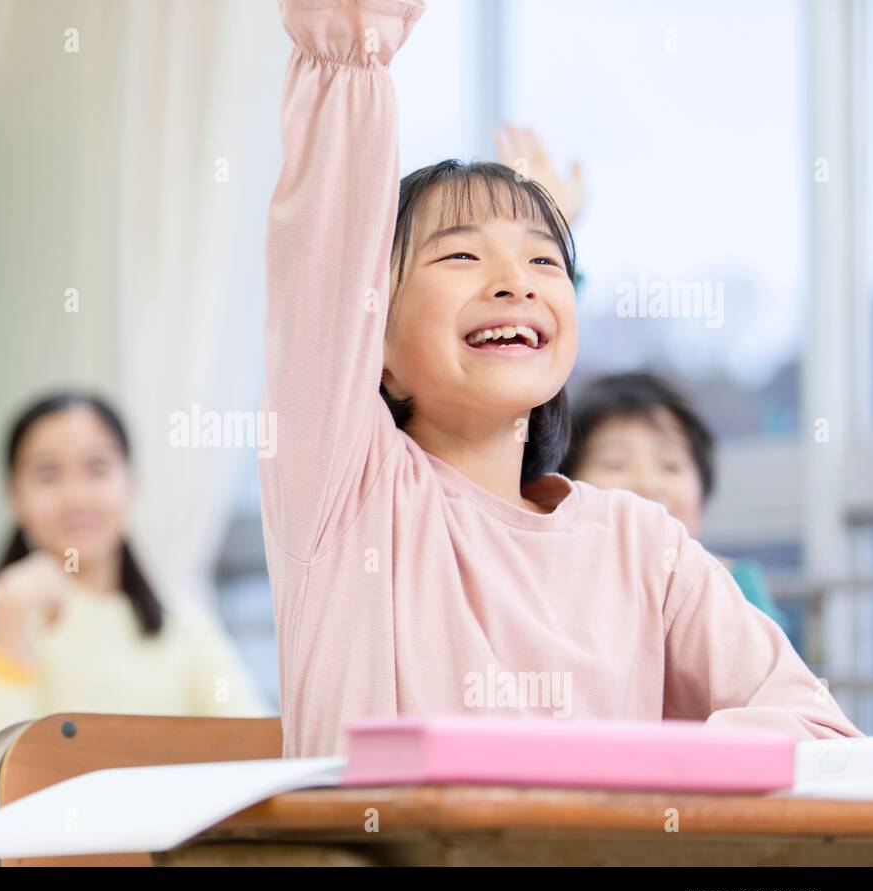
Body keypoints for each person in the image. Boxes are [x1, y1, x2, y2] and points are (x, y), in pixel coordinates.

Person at [260, 0, 859, 757]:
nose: (518, 281)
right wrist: (351, 43)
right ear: (370, 330)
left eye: (545, 260)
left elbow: (818, 729)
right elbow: (322, 268)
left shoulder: (645, 545)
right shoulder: (348, 493)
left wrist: (642, 769)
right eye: (461, 255)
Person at [0, 392, 269, 770]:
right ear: (14, 496)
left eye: (97, 469)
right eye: (47, 474)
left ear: (131, 483)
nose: (76, 496)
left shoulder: (179, 618)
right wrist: (11, 616)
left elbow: (251, 741)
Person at [563, 371, 792, 641]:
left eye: (671, 466)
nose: (647, 484)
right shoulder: (557, 589)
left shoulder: (735, 586)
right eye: (615, 464)